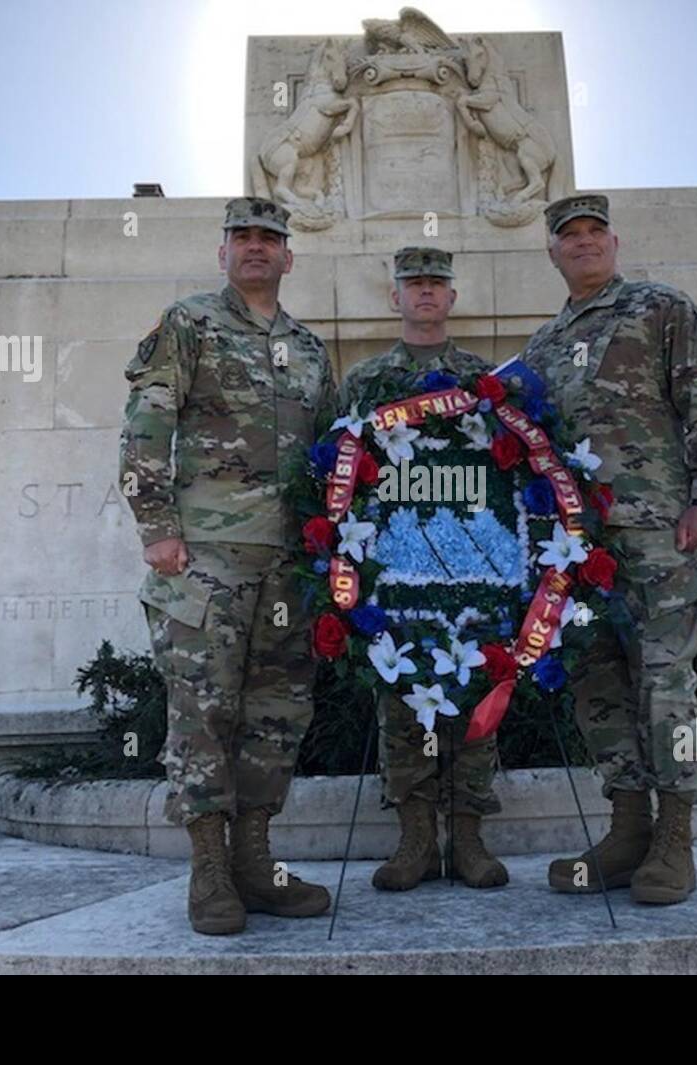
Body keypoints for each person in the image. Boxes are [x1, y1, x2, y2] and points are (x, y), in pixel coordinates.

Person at [119, 196, 338, 934]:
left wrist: (334, 547)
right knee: (205, 713)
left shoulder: (310, 350)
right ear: (222, 253)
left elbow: (332, 460)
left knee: (277, 716)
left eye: (268, 239)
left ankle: (255, 860)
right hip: (206, 559)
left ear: (287, 257)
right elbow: (147, 424)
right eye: (241, 237)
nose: (255, 248)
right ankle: (209, 872)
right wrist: (157, 526)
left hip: (289, 566)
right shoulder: (189, 323)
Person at [521, 194, 697, 904]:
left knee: (664, 677)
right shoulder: (543, 345)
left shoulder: (660, 307)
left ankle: (675, 835)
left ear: (613, 242)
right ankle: (626, 828)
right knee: (596, 679)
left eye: (594, 233)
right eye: (569, 237)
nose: (583, 244)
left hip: (656, 529)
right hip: (578, 544)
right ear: (553, 252)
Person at [340, 246, 509, 891]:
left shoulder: (484, 378)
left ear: (453, 297)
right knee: (403, 697)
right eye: (414, 284)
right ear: (395, 298)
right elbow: (344, 469)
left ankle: (468, 838)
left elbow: (507, 466)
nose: (427, 293)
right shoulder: (366, 382)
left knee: (472, 697)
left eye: (437, 283)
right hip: (396, 561)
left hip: (472, 556)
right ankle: (414, 840)